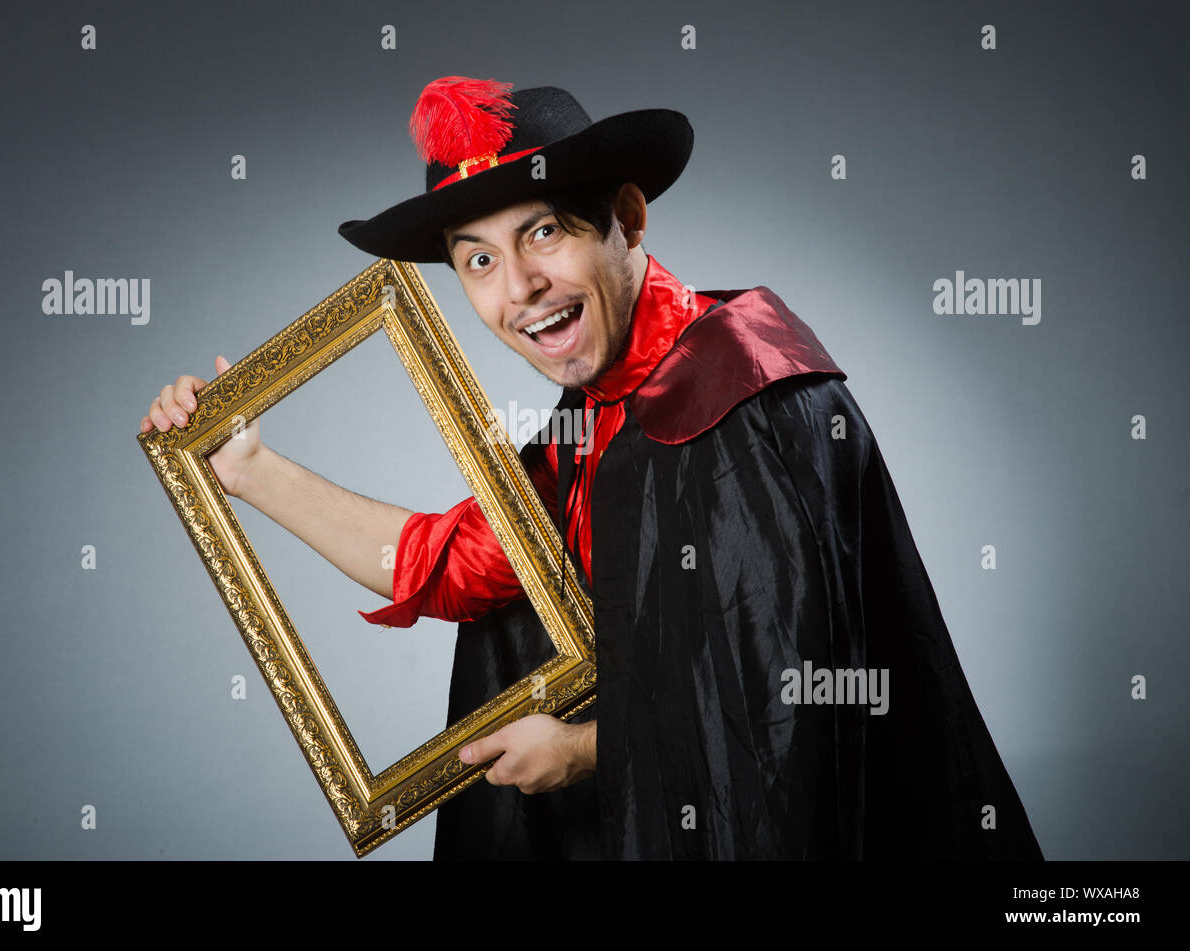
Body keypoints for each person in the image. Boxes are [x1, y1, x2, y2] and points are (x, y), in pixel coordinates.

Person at [142, 76, 1044, 861]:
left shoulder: (747, 403)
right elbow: (464, 564)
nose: (517, 288)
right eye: (480, 260)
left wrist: (580, 752)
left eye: (544, 233)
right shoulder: (600, 411)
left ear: (629, 218)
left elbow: (785, 715)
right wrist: (248, 468)